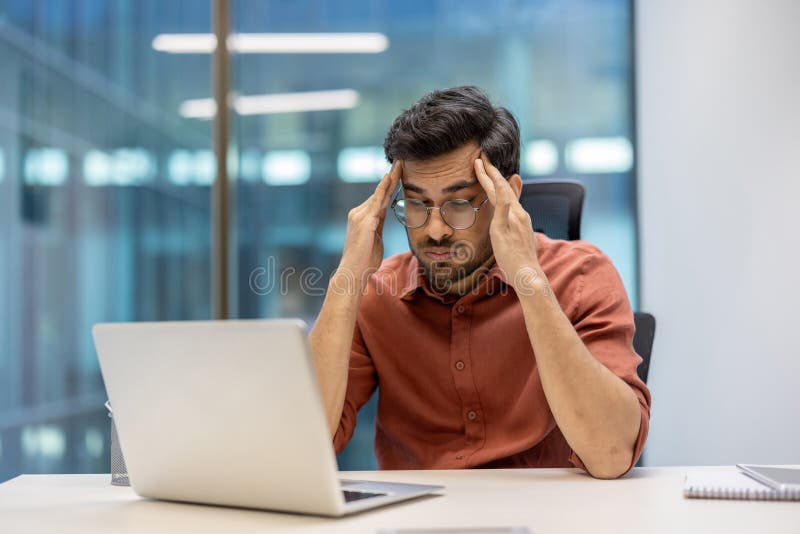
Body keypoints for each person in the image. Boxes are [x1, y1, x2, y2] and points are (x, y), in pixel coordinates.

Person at [309, 86, 650, 479]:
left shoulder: (582, 275)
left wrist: (529, 281)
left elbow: (611, 454)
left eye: (459, 204)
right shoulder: (378, 294)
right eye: (417, 204)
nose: (434, 230)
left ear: (510, 197)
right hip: (419, 519)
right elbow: (303, 447)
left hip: (550, 516)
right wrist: (347, 279)